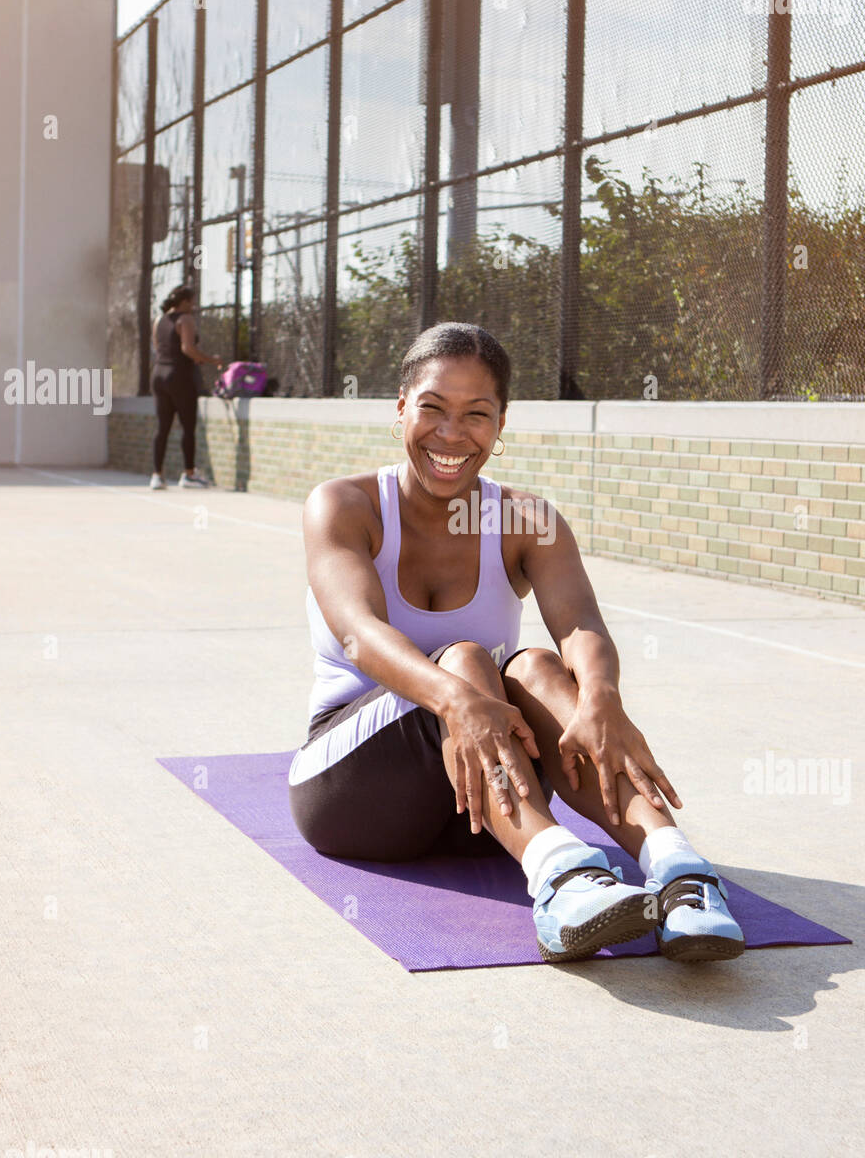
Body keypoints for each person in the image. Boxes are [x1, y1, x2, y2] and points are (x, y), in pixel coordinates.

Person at [288, 322, 745, 964]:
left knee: (538, 667)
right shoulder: (343, 505)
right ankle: (561, 877)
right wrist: (455, 697)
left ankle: (679, 871)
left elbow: (581, 622)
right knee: (469, 660)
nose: (452, 435)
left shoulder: (527, 520)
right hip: (353, 798)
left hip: (483, 811)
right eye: (433, 409)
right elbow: (362, 639)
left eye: (477, 414)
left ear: (501, 423)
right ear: (400, 408)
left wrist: (601, 701)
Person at [149, 285, 224, 489]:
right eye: (191, 301)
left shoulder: (159, 320)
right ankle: (189, 474)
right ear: (183, 302)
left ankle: (157, 475)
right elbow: (188, 349)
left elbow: (158, 347)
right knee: (187, 426)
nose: (193, 306)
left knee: (162, 427)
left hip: (158, 374)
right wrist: (211, 359)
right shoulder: (186, 319)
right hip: (179, 376)